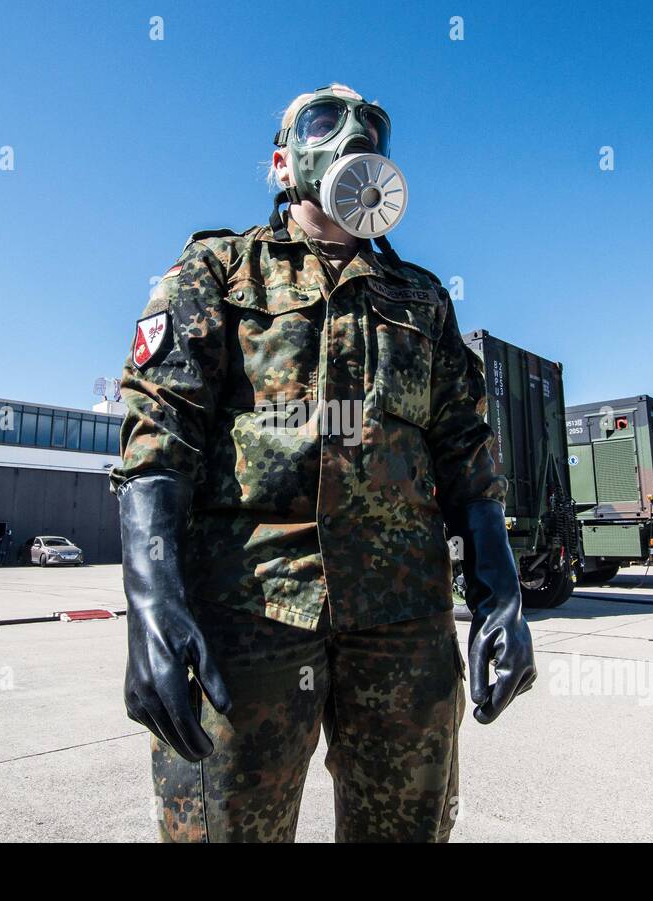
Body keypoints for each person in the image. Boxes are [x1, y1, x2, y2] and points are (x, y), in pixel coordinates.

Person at [111, 83, 536, 843]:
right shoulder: (219, 272)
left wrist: (500, 594)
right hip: (249, 614)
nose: (356, 137)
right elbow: (157, 442)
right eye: (326, 123)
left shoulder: (421, 299)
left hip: (403, 623)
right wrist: (151, 603)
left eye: (374, 128)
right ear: (283, 163)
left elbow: (468, 454)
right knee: (222, 830)